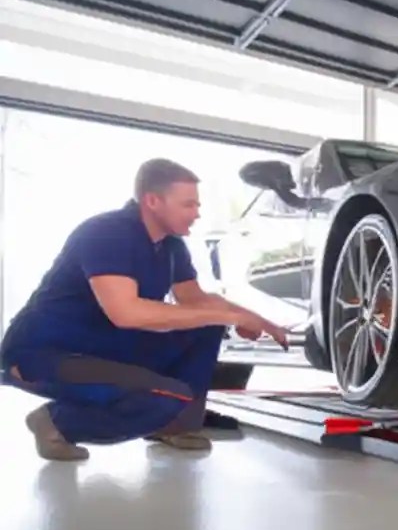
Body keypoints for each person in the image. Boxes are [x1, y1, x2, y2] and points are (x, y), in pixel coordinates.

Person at [0, 158, 289, 461]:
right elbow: (126, 313)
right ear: (153, 201)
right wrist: (227, 316)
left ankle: (175, 427)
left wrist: (259, 321)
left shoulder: (171, 246)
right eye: (188, 205)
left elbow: (195, 300)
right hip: (47, 354)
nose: (197, 214)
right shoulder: (107, 233)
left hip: (108, 347)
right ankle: (54, 422)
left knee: (206, 326)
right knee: (165, 398)